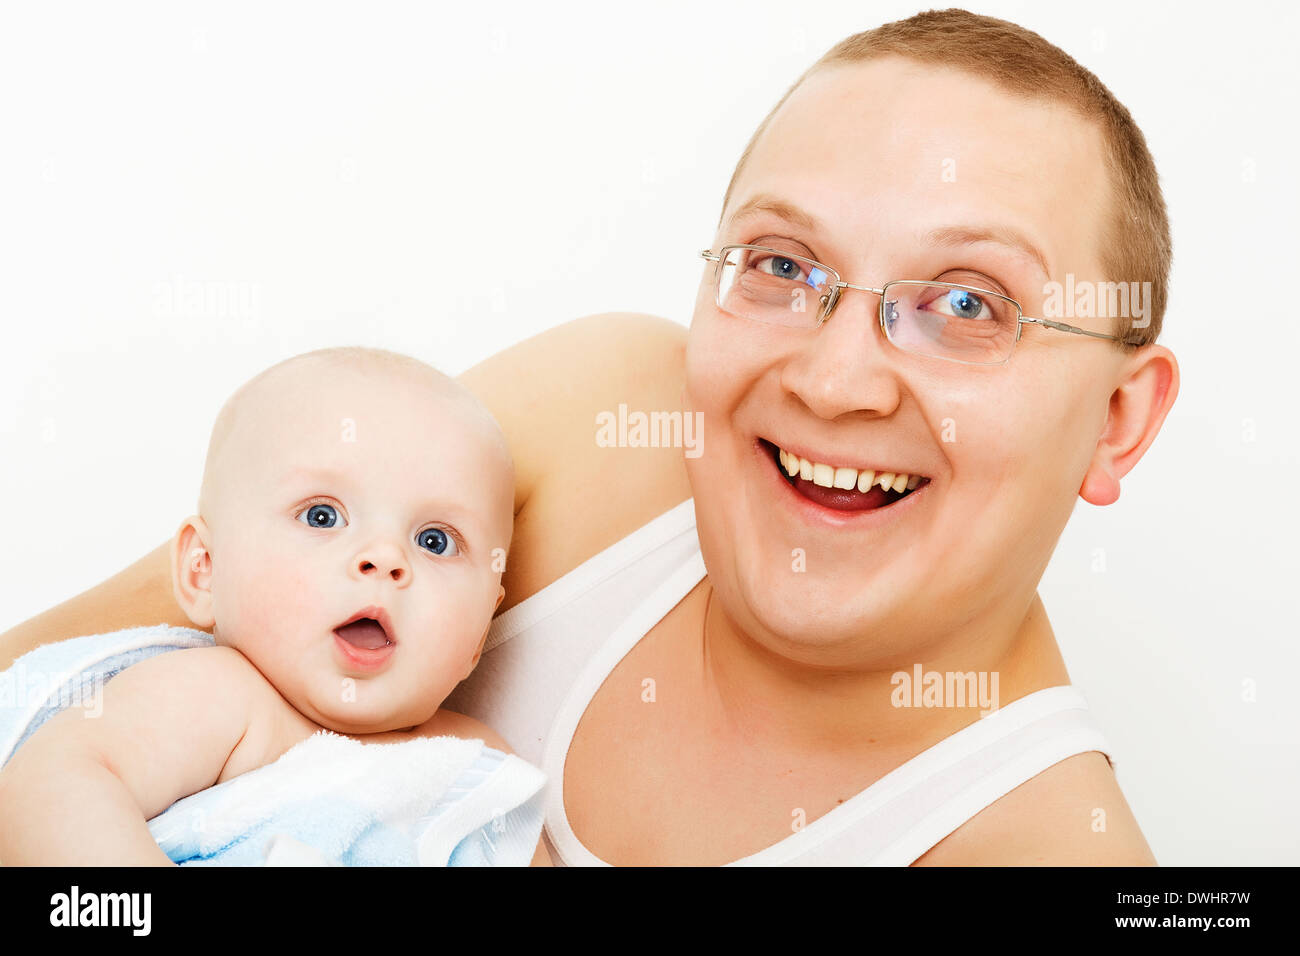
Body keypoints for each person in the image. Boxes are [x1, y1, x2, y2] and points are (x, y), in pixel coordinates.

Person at [0, 9, 1178, 865]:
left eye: (966, 305)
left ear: (1117, 421)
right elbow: (47, 673)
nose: (833, 377)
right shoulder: (596, 421)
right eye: (780, 264)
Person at [0, 347, 550, 866]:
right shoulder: (223, 697)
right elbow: (51, 787)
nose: (384, 560)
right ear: (205, 571)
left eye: (435, 541)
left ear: (478, 635)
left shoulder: (478, 765)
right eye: (322, 516)